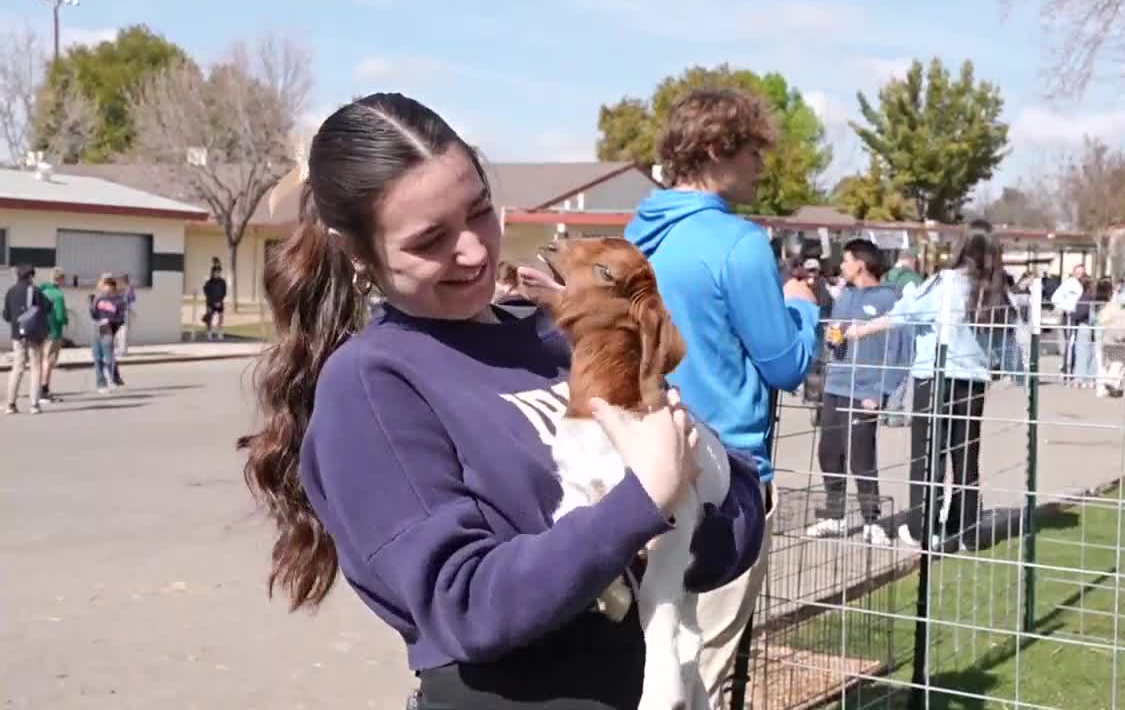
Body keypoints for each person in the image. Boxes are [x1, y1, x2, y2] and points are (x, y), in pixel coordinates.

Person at [235, 93, 765, 710]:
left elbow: (730, 510)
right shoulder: (372, 384)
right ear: (358, 252)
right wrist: (642, 503)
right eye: (430, 240)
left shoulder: (554, 335)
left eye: (480, 211)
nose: (474, 250)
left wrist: (696, 515)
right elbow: (463, 606)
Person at [622, 87, 817, 707]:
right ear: (715, 150)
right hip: (725, 478)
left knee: (649, 657)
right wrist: (803, 309)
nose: (761, 165)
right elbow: (785, 364)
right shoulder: (738, 243)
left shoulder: (635, 236)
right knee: (702, 667)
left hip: (641, 470)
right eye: (752, 150)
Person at [845, 228, 1009, 551]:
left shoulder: (943, 283)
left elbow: (905, 312)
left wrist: (862, 330)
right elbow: (1006, 338)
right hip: (973, 382)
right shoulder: (993, 288)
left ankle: (923, 528)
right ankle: (966, 530)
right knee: (966, 457)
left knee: (928, 456)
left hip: (934, 377)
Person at [806, 239, 909, 543]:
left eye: (846, 260)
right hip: (835, 385)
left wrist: (882, 391)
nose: (841, 265)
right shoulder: (845, 296)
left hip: (865, 391)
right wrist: (832, 339)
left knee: (861, 457)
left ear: (860, 264)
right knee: (828, 452)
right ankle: (834, 516)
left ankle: (872, 521)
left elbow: (900, 350)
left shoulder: (889, 299)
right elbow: (836, 339)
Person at [3, 264, 52, 414]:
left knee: (17, 368)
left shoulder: (11, 291)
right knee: (35, 367)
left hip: (17, 335)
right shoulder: (35, 291)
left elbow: (6, 315)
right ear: (31, 276)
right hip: (34, 335)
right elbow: (48, 307)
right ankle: (34, 405)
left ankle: (11, 404)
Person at [88, 274, 127, 393]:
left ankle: (113, 378)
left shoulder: (119, 301)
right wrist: (91, 305)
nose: (107, 287)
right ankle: (101, 383)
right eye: (105, 284)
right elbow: (94, 315)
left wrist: (110, 322)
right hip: (97, 328)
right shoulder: (98, 298)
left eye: (109, 284)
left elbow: (121, 319)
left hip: (108, 329)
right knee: (97, 356)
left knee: (109, 358)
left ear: (113, 286)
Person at [38, 267, 68, 404]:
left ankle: (37, 388)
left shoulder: (41, 291)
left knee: (40, 360)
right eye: (63, 279)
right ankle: (44, 391)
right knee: (48, 361)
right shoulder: (58, 295)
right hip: (53, 332)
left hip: (39, 331)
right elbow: (60, 316)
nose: (64, 281)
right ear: (59, 279)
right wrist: (66, 320)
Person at [202, 267, 227, 340]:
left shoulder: (222, 282)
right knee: (210, 317)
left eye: (219, 272)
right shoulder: (209, 282)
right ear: (213, 273)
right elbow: (207, 293)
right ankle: (209, 332)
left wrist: (219, 301)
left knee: (221, 316)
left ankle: (219, 331)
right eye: (217, 272)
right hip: (210, 303)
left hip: (219, 302)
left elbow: (224, 293)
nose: (218, 273)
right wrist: (213, 302)